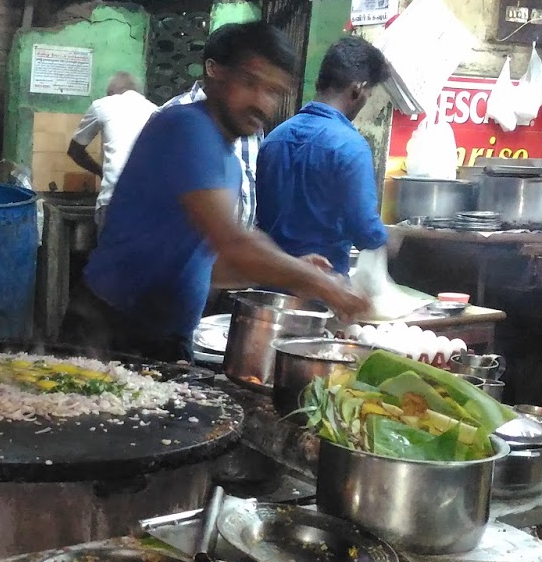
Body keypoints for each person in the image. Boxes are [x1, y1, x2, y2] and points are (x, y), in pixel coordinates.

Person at [62, 21, 369, 362]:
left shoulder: (230, 160)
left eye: (274, 92)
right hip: (111, 331)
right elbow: (235, 244)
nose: (262, 103)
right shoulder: (186, 127)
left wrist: (292, 270)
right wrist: (323, 284)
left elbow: (213, 265)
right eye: (250, 82)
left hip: (160, 337)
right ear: (215, 74)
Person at [255, 36, 390, 273]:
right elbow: (365, 231)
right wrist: (392, 240)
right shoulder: (351, 147)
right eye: (369, 93)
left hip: (270, 281)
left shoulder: (274, 138)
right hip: (322, 284)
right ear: (357, 89)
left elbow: (262, 221)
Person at [162, 73, 260, 228]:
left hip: (239, 242)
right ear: (213, 69)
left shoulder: (251, 123)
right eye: (248, 82)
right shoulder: (172, 114)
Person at [67, 72, 157, 222]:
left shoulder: (102, 105)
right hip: (148, 201)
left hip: (113, 199)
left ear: (110, 93)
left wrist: (100, 172)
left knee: (110, 245)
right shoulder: (155, 110)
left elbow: (75, 151)